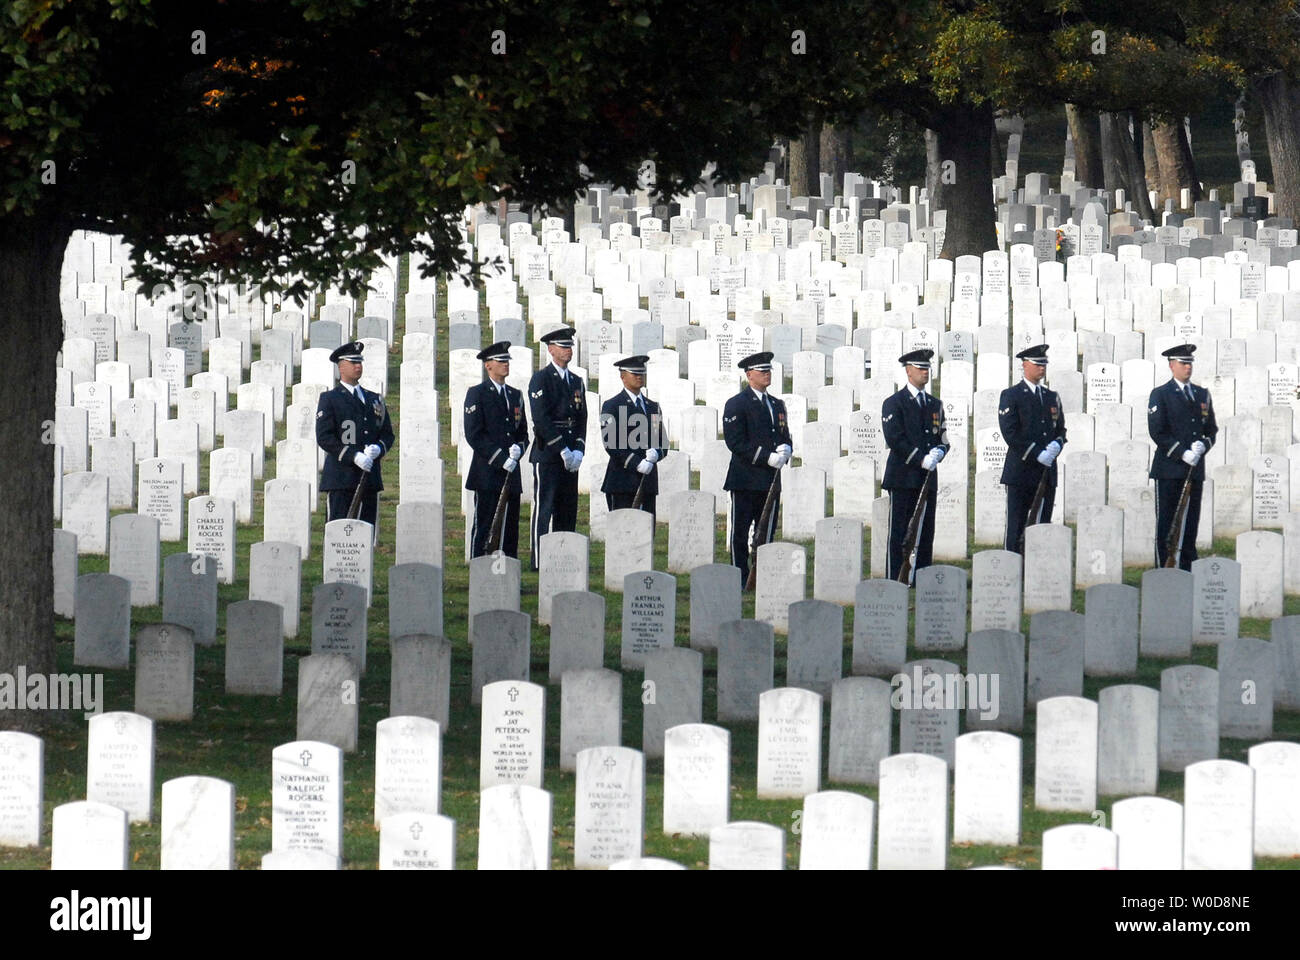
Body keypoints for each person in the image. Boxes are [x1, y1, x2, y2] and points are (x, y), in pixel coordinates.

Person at [723, 351, 793, 587]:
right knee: (740, 534)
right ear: (749, 374)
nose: (766, 374)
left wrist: (787, 449)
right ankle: (740, 576)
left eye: (768, 370)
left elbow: (783, 434)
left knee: (766, 533)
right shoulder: (737, 404)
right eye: (762, 371)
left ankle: (762, 576)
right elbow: (735, 442)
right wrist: (767, 457)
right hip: (745, 478)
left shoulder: (776, 404)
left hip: (770, 480)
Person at [881, 349, 949, 582]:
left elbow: (943, 438)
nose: (925, 372)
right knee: (900, 531)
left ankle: (921, 579)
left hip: (927, 478)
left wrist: (940, 451)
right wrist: (921, 458)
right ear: (908, 371)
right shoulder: (894, 403)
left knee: (925, 532)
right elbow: (895, 438)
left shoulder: (934, 404)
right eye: (920, 368)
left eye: (927, 368)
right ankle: (896, 578)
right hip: (902, 476)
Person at [1148, 343, 1218, 570]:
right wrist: (1182, 452)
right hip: (1169, 469)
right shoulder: (1161, 394)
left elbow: (1211, 430)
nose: (1188, 368)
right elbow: (1157, 431)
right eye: (1183, 363)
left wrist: (1203, 446)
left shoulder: (1201, 394)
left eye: (1190, 363)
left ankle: (1187, 568)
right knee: (1168, 523)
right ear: (1172, 365)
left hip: (1194, 470)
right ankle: (1165, 570)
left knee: (1190, 524)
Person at [315, 340, 395, 530]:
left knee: (366, 531)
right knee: (339, 532)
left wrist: (379, 448)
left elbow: (387, 433)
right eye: (353, 362)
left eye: (360, 362)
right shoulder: (330, 399)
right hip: (341, 477)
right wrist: (353, 456)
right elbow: (325, 437)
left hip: (369, 477)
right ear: (341, 367)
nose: (358, 366)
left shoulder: (374, 398)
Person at [528, 326, 587, 569]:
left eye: (570, 346)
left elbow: (582, 417)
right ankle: (540, 560)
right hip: (549, 454)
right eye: (563, 346)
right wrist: (561, 449)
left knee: (568, 508)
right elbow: (541, 419)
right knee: (545, 506)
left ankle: (564, 558)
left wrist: (579, 449)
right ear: (551, 350)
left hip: (571, 454)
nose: (568, 350)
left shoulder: (576, 380)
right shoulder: (541, 379)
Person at [999, 343, 1067, 553]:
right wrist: (1038, 454)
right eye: (1038, 364)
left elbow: (1060, 429)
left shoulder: (1051, 396)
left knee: (1041, 525)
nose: (1042, 368)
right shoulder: (1012, 395)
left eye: (1044, 363)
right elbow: (1010, 433)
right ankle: (1011, 566)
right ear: (1025, 365)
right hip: (1021, 471)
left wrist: (1057, 444)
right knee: (1016, 525)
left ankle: (1036, 569)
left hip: (1046, 472)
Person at [464, 342, 530, 558]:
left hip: (512, 473)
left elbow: (523, 434)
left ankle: (509, 576)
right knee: (485, 526)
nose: (505, 365)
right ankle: (479, 567)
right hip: (487, 472)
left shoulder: (515, 395)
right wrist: (501, 458)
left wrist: (518, 450)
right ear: (488, 365)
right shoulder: (477, 394)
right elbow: (474, 434)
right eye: (501, 361)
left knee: (510, 529)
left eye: (507, 361)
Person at [600, 355, 668, 521]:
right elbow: (611, 443)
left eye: (642, 373)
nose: (639, 377)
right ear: (623, 376)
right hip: (622, 480)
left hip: (648, 480)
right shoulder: (612, 405)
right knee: (622, 531)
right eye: (634, 373)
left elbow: (662, 442)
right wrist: (636, 463)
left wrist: (657, 454)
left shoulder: (652, 406)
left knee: (646, 533)